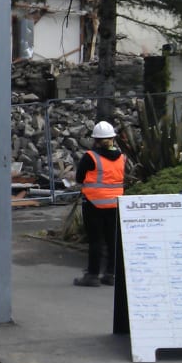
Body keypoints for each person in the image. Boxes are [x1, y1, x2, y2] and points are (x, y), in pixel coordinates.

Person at [74, 120, 125, 287]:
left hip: (94, 204)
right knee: (112, 240)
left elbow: (80, 178)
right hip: (115, 204)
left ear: (95, 140)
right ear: (113, 138)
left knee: (96, 240)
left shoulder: (90, 157)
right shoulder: (121, 157)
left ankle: (93, 275)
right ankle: (111, 274)